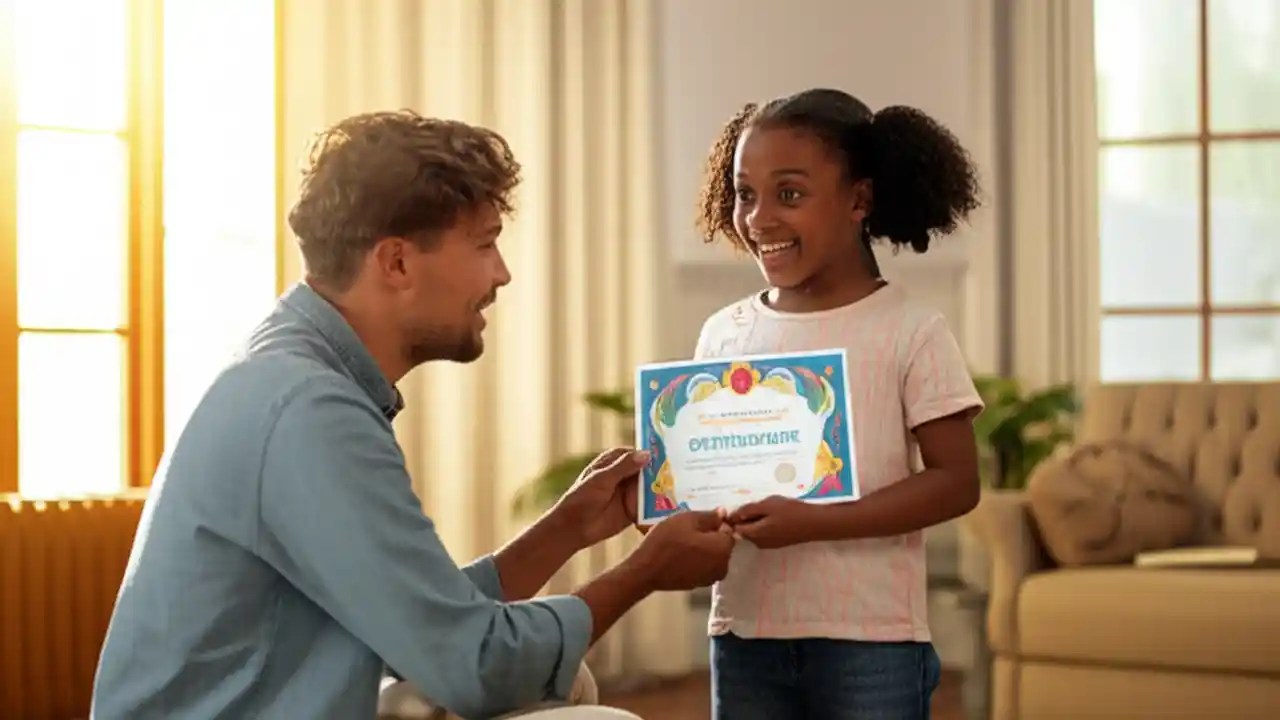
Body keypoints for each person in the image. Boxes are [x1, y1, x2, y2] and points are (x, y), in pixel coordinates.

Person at [91, 110, 736, 720]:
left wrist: (566, 527)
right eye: (485, 245)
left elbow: (427, 620)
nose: (503, 274)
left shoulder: (294, 371)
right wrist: (647, 572)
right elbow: (472, 662)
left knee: (570, 680)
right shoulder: (310, 412)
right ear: (396, 261)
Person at [690, 88, 985, 719]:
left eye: (789, 194)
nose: (759, 217)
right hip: (745, 633)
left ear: (860, 200)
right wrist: (669, 502)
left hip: (870, 640)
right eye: (745, 193)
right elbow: (706, 480)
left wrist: (816, 521)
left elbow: (957, 483)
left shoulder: (911, 330)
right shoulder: (725, 333)